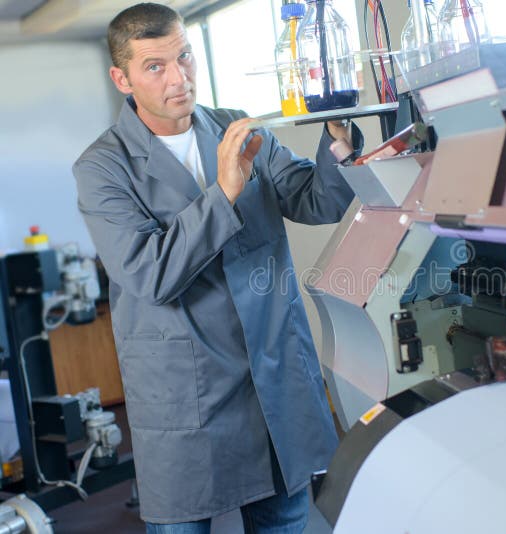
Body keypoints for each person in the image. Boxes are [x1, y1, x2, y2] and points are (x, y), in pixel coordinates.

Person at [73, 3, 361, 532]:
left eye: (185, 57)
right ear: (122, 78)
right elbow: (149, 273)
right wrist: (225, 192)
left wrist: (337, 136)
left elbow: (316, 201)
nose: (179, 78)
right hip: (189, 394)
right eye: (155, 66)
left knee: (286, 519)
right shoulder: (102, 167)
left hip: (274, 379)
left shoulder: (236, 128)